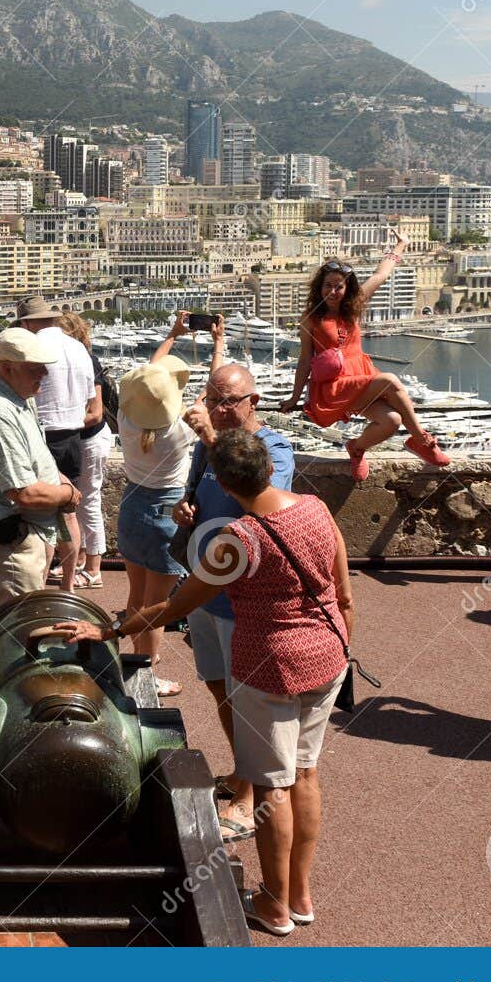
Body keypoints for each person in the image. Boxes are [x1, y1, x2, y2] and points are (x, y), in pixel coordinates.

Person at [59, 429, 352, 938]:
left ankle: (276, 905)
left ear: (222, 481)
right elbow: (344, 594)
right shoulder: (316, 509)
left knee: (271, 787)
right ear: (267, 466)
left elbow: (174, 607)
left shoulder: (237, 542)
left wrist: (109, 629)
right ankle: (301, 897)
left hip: (271, 667)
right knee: (305, 774)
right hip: (328, 655)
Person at [173, 327, 297, 842]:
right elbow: (198, 488)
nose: (221, 409)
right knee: (220, 688)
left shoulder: (273, 449)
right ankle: (241, 772)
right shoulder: (213, 448)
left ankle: (249, 800)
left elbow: (264, 508)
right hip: (206, 589)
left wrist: (208, 435)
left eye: (230, 402)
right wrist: (187, 507)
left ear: (254, 401)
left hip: (242, 599)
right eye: (214, 401)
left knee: (247, 699)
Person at [0, 328, 81, 707]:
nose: (44, 375)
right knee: (11, 633)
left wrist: (57, 484)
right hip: (6, 544)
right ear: (6, 368)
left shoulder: (11, 396)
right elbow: (22, 492)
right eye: (35, 368)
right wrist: (68, 494)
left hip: (6, 538)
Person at [282, 234, 450, 481]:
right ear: (320, 286)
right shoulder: (311, 318)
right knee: (391, 380)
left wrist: (400, 246)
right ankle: (422, 440)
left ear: (347, 288)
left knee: (391, 421)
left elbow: (380, 275)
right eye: (328, 285)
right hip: (335, 387)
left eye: (339, 286)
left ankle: (357, 448)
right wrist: (295, 397)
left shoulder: (355, 305)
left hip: (361, 378)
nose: (333, 291)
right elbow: (305, 359)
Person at [116, 319, 199, 698]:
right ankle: (145, 679)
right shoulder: (180, 431)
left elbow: (147, 380)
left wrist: (171, 336)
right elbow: (214, 392)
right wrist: (215, 345)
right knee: (159, 606)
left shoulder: (126, 418)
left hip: (132, 506)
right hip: (166, 510)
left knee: (136, 600)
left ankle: (132, 667)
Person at [14, 298, 94, 595]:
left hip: (41, 435)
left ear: (27, 322)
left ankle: (38, 585)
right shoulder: (78, 347)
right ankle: (68, 583)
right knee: (69, 512)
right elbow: (88, 398)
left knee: (42, 516)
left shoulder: (32, 346)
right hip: (73, 435)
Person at [59, 312, 109, 589]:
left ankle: (93, 568)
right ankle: (77, 561)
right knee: (76, 504)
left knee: (89, 503)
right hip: (79, 437)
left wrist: (61, 424)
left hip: (89, 437)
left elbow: (96, 413)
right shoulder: (72, 360)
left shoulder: (88, 361)